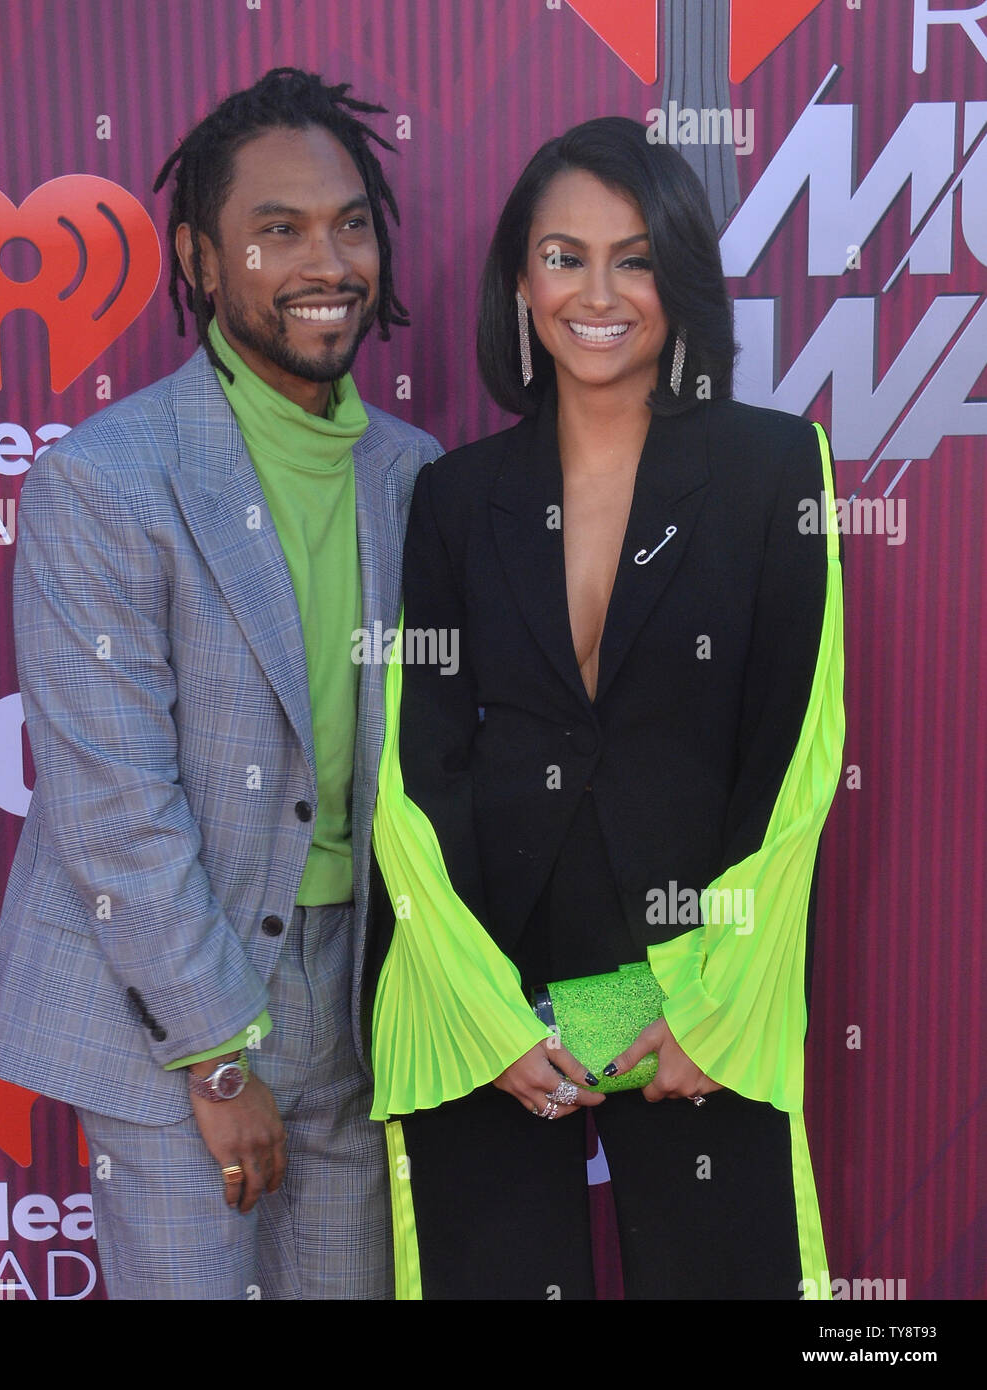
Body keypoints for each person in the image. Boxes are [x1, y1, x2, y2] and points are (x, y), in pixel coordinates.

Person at [369, 116, 844, 1300]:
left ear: (678, 279)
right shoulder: (452, 494)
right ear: (520, 280)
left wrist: (709, 1008)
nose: (597, 292)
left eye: (632, 258)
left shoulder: (776, 467)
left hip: (686, 979)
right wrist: (480, 1018)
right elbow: (410, 765)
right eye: (562, 255)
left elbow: (794, 756)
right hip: (494, 989)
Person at [0, 67, 442, 1300]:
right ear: (199, 255)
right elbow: (115, 805)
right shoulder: (107, 479)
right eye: (277, 229)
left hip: (353, 999)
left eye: (350, 223)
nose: (327, 259)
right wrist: (216, 1058)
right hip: (169, 1003)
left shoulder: (416, 476)